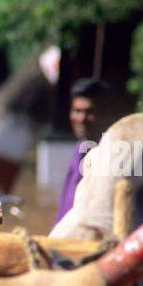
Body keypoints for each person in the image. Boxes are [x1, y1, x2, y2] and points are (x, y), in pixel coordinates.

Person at [54, 77, 116, 224]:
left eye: (90, 112)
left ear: (106, 114)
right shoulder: (80, 149)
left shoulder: (112, 155)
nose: (81, 119)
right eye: (77, 111)